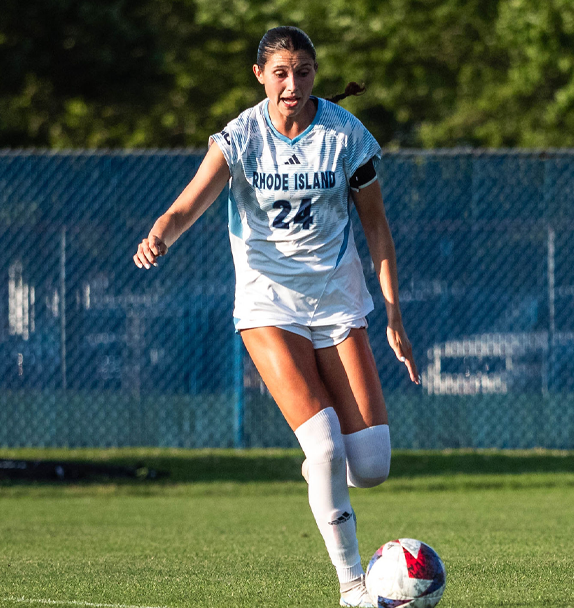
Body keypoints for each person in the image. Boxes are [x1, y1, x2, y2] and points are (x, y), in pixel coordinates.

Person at [133, 25, 419, 608]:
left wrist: (392, 312)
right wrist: (161, 233)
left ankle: (321, 475)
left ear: (316, 74)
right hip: (268, 303)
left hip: (338, 304)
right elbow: (191, 200)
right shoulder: (240, 137)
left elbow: (377, 228)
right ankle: (352, 587)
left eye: (304, 71)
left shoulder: (345, 136)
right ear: (260, 75)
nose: (293, 83)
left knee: (370, 466)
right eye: (281, 72)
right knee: (327, 449)